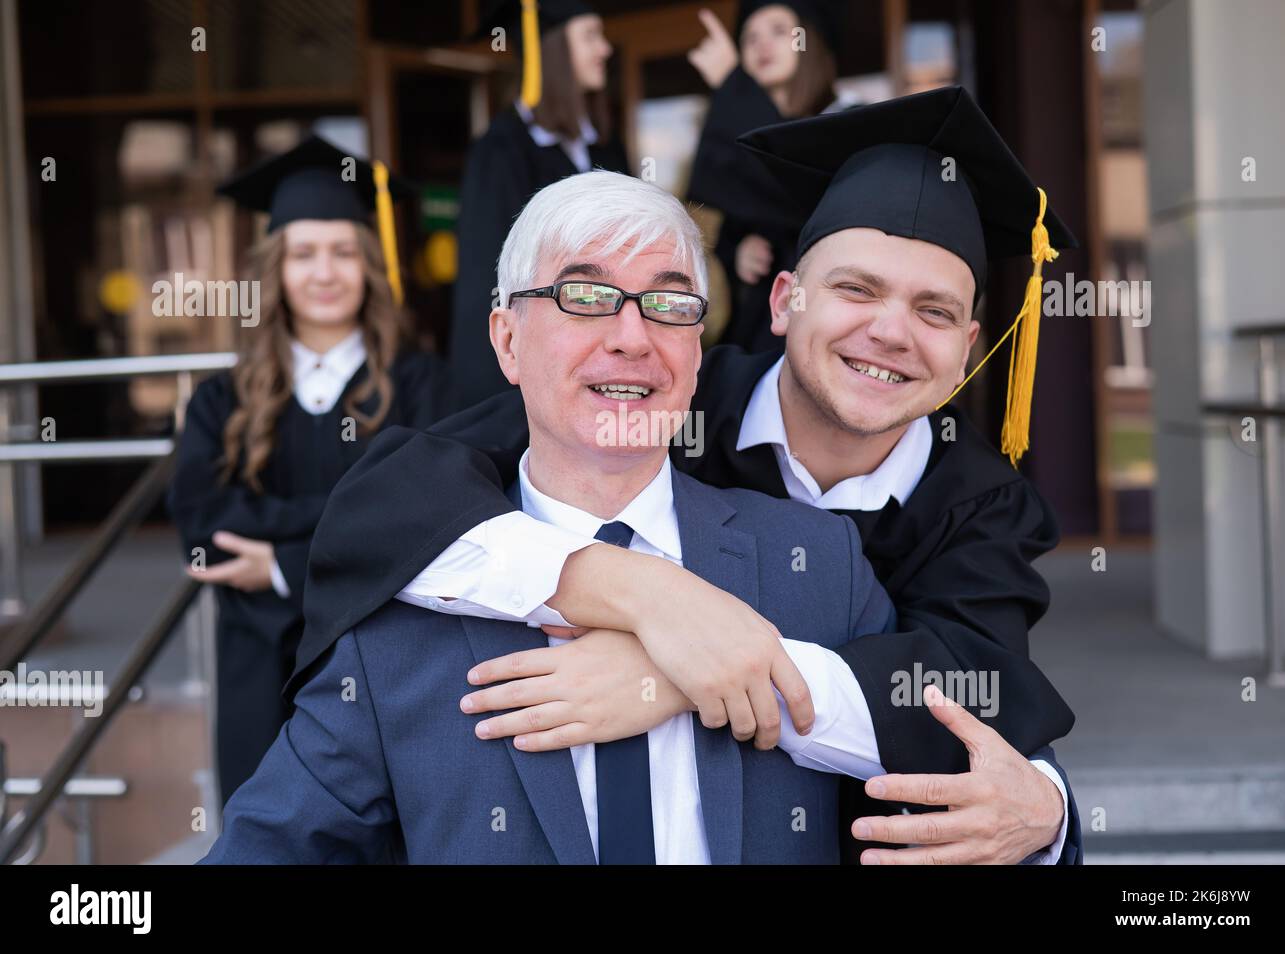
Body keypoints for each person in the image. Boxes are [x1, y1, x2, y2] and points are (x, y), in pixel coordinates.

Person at [291, 87, 1084, 864]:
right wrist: (633, 589)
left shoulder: (983, 506)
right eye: (855, 288)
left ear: (972, 340)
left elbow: (974, 696)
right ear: (783, 300)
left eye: (935, 312)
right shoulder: (662, 394)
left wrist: (1047, 805)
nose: (889, 332)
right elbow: (394, 503)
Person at [202, 171, 901, 864]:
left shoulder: (819, 566)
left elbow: (950, 804)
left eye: (667, 300)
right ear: (507, 342)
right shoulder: (394, 626)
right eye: (586, 296)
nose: (633, 336)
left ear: (695, 351)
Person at [167, 135, 455, 806]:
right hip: (256, 667)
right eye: (303, 254)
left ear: (370, 265)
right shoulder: (222, 399)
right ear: (276, 270)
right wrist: (347, 527)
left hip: (390, 662)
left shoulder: (421, 388)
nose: (324, 272)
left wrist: (282, 561)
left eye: (343, 252)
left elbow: (429, 520)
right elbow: (204, 526)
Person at [450, 0, 628, 409]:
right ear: (551, 49)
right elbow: (488, 278)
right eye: (590, 36)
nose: (605, 48)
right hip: (542, 374)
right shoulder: (502, 152)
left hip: (612, 349)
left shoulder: (603, 145)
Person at [686, 1, 849, 353]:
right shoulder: (735, 126)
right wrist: (739, 250)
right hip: (759, 328)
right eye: (749, 38)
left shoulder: (846, 119)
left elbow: (801, 199)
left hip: (824, 325)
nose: (762, 45)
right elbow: (733, 207)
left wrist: (734, 85)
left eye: (778, 31)